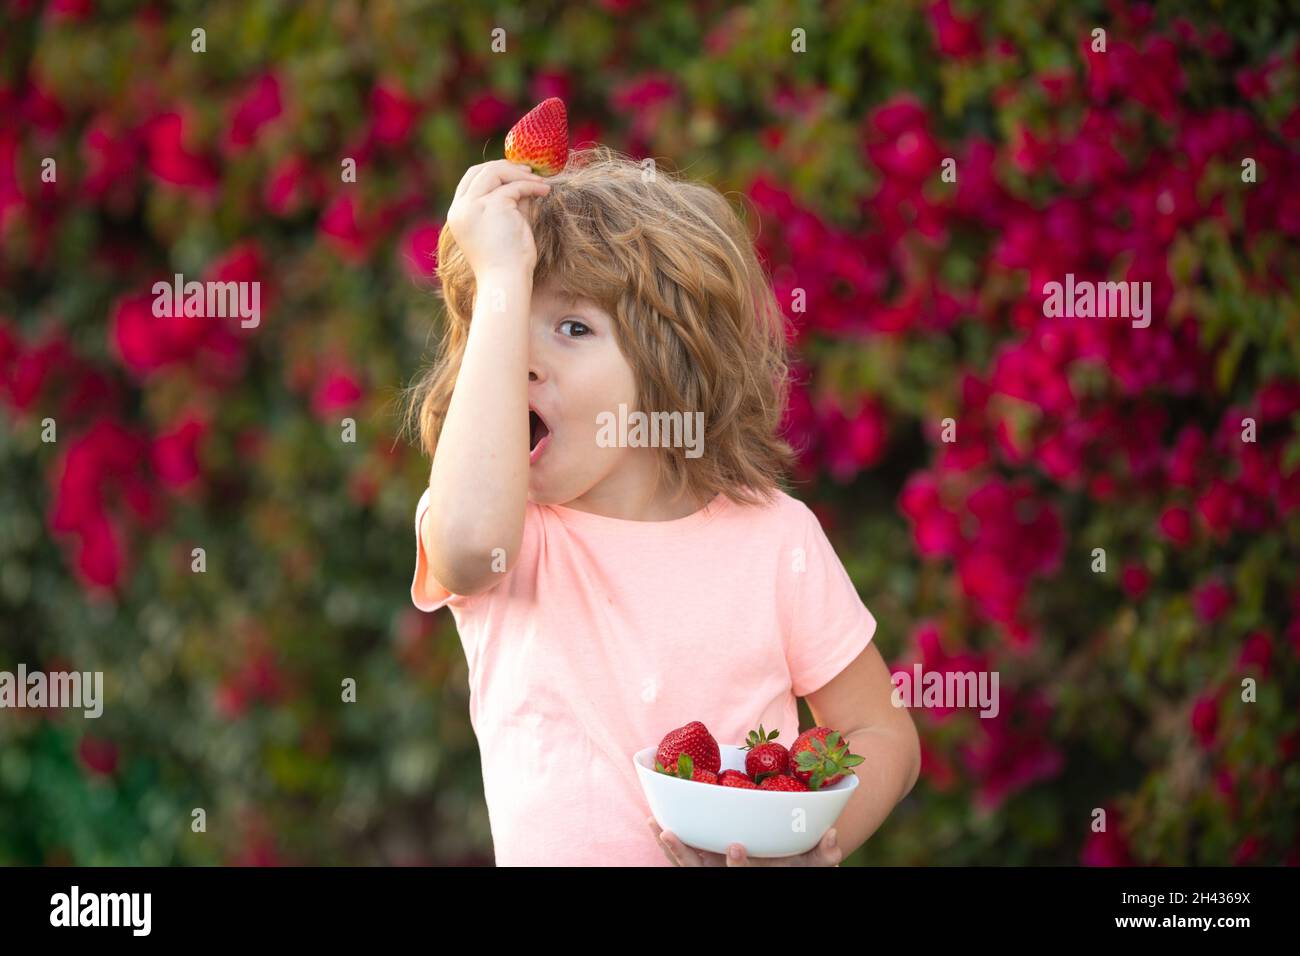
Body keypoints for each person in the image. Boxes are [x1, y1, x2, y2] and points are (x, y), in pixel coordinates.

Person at [402, 146, 920, 866]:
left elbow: (881, 731)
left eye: (573, 327)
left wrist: (808, 843)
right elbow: (462, 540)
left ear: (670, 365)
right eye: (504, 321)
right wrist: (496, 273)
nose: (518, 357)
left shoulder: (776, 540)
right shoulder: (508, 537)